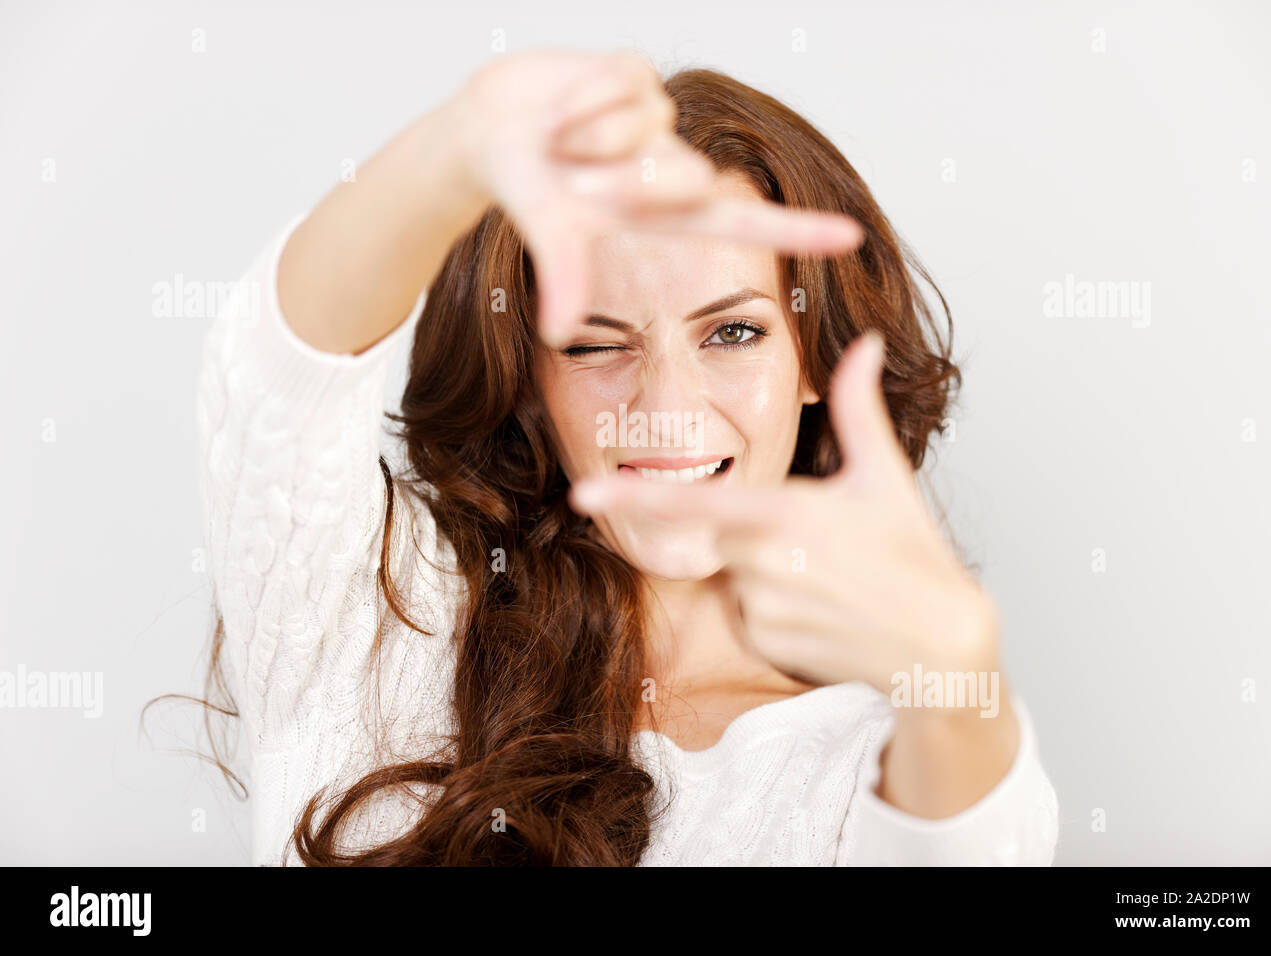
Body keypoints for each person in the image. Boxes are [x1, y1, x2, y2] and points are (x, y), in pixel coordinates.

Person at [195, 49, 1060, 865]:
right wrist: (457, 147)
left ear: (818, 361)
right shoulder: (391, 621)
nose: (665, 410)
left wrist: (957, 674)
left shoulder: (879, 760)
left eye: (733, 332)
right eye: (594, 345)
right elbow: (278, 389)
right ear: (528, 380)